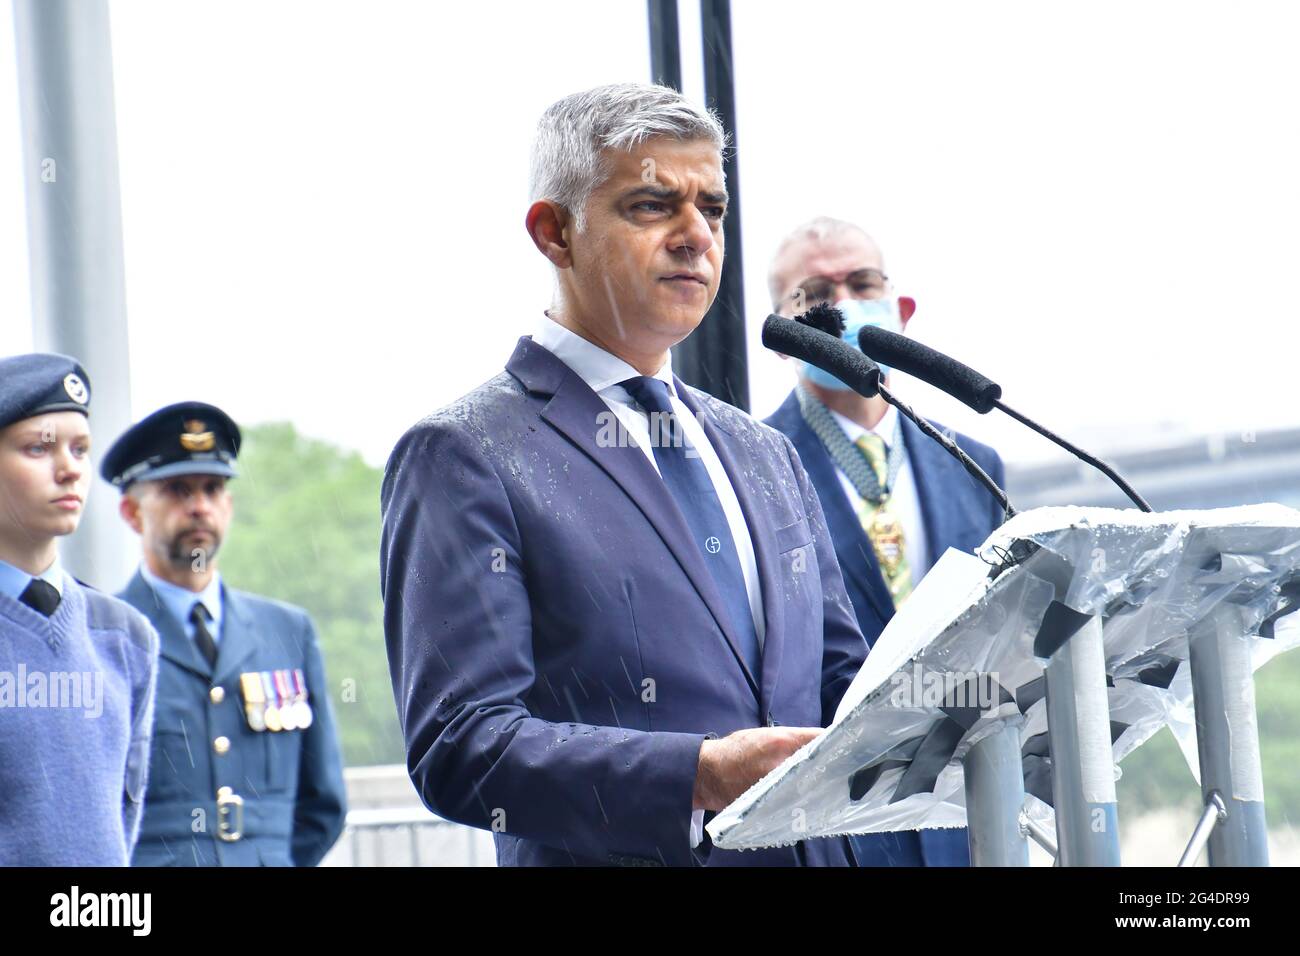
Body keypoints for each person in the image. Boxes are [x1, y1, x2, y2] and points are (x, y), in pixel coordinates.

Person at [381, 82, 869, 867]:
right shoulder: (464, 454)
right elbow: (461, 743)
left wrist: (977, 704)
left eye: (711, 209)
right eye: (651, 205)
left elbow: (843, 681)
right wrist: (697, 776)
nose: (696, 237)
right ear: (555, 232)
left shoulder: (764, 453)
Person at [764, 216, 1007, 866]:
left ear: (899, 309)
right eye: (814, 294)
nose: (842, 304)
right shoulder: (750, 470)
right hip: (832, 825)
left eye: (861, 283)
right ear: (783, 337)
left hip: (963, 819)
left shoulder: (974, 467)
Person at [101, 401, 347, 866]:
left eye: (213, 489)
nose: (199, 507)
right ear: (132, 512)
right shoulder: (104, 634)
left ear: (228, 506)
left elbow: (324, 802)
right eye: (177, 490)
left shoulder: (287, 632)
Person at [0, 353, 158, 865]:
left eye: (81, 449)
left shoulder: (126, 636)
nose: (69, 468)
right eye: (37, 449)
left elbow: (120, 822)